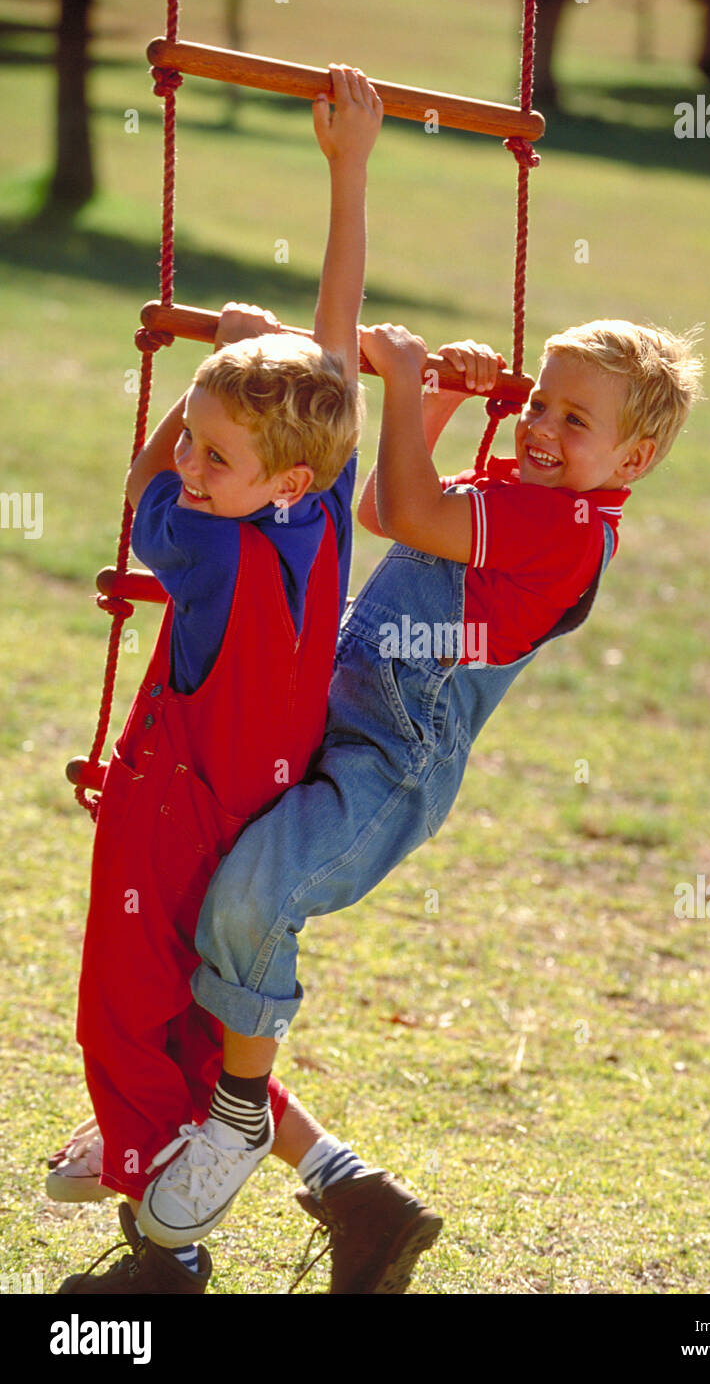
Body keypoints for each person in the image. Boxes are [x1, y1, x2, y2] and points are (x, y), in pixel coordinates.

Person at [135, 315, 704, 1269]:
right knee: (202, 898)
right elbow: (380, 512)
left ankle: (233, 1120)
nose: (540, 430)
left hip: (387, 761)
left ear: (633, 458)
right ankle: (288, 1165)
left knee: (252, 898)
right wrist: (437, 399)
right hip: (333, 714)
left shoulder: (560, 524)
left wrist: (402, 383)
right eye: (538, 404)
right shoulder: (521, 491)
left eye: (576, 421)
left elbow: (401, 511)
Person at [58, 67, 405, 1296]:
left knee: (124, 1004)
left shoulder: (202, 539)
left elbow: (137, 493)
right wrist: (347, 173)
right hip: (252, 812)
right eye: (198, 448)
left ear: (284, 477)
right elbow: (334, 346)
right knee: (187, 1010)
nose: (196, 468)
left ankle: (164, 1241)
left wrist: (197, 380)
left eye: (218, 454)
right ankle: (207, 1173)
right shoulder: (314, 522)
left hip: (172, 816)